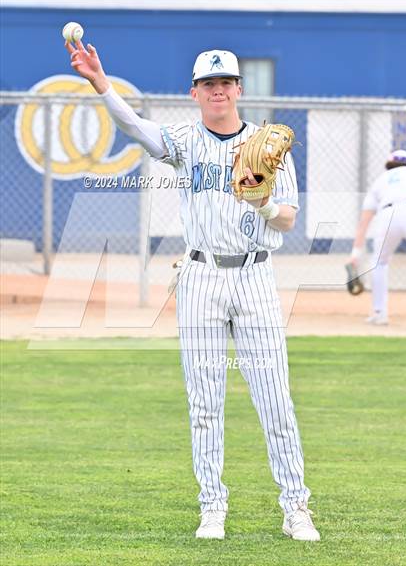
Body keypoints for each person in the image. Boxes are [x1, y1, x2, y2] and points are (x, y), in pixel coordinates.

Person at [66, 40, 320, 542]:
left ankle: (296, 507)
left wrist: (263, 202)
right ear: (195, 93)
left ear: (239, 89)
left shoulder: (270, 146)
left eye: (226, 82)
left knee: (275, 398)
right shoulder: (184, 140)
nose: (218, 90)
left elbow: (288, 219)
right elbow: (135, 128)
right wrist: (101, 82)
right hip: (201, 277)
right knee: (205, 401)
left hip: (255, 275)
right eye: (209, 84)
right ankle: (212, 507)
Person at [349, 150, 406, 325]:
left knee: (379, 263)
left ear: (389, 165)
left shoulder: (380, 181)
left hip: (387, 216)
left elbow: (364, 222)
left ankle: (380, 313)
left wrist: (355, 254)